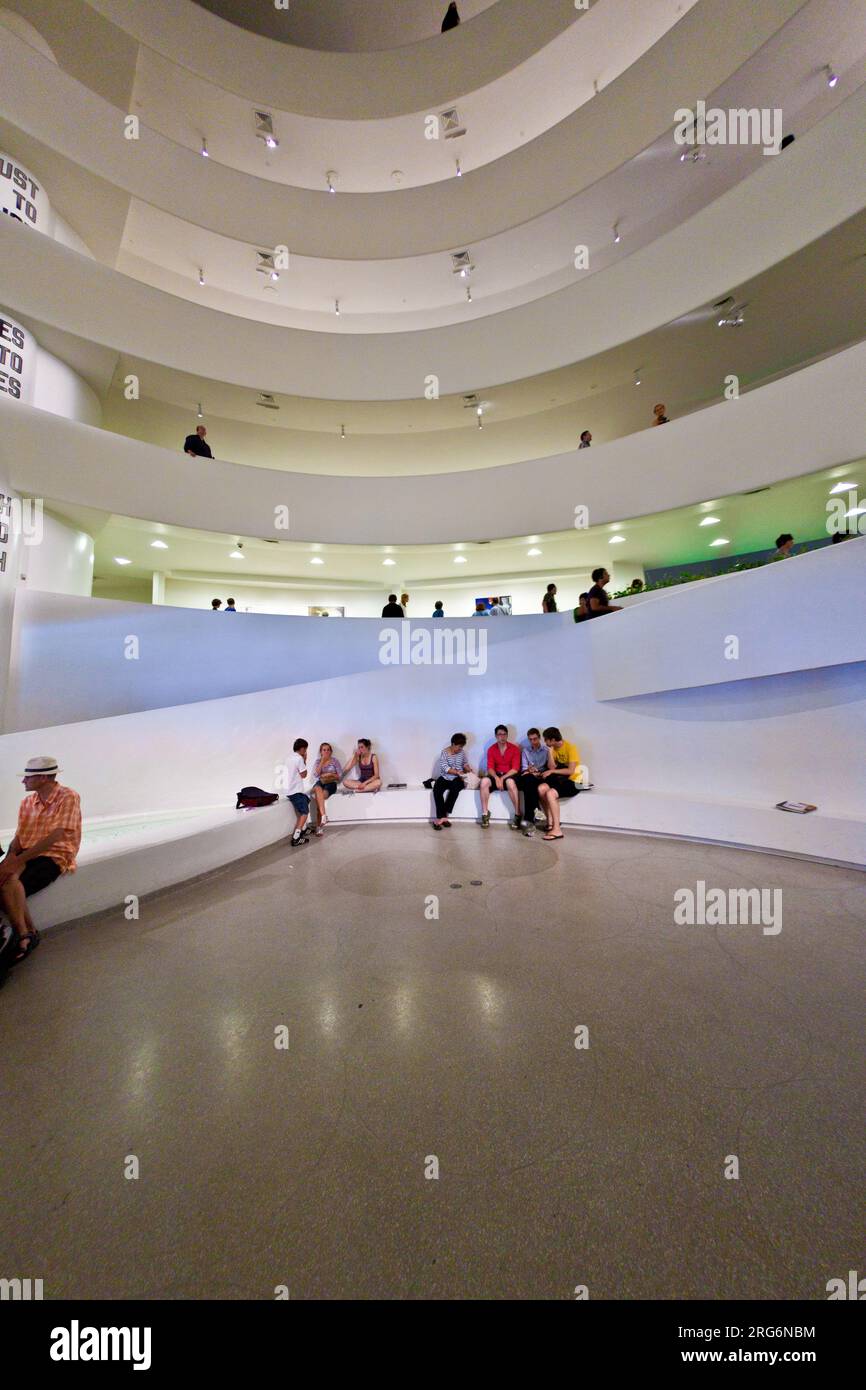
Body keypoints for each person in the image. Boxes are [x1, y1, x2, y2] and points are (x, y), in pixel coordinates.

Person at [0, 756, 82, 963]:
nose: (23, 781)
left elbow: (56, 836)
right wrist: (11, 856)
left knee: (8, 882)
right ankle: (28, 933)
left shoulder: (68, 796)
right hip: (27, 853)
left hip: (54, 854)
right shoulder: (27, 802)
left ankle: (25, 934)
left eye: (28, 777)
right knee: (5, 878)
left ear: (43, 777)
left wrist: (17, 862)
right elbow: (21, 835)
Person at [537, 728, 582, 841]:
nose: (545, 742)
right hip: (561, 780)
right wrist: (550, 753)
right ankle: (550, 822)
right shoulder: (553, 749)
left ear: (552, 740)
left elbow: (571, 771)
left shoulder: (571, 748)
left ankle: (557, 830)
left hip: (575, 781)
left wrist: (552, 771)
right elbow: (552, 766)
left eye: (546, 740)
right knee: (541, 788)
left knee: (551, 793)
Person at [479, 725, 521, 828]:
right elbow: (490, 768)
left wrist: (502, 778)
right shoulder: (491, 749)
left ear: (507, 735)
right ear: (496, 736)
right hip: (496, 774)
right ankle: (485, 814)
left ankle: (517, 814)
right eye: (499, 734)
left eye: (504, 734)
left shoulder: (514, 749)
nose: (502, 737)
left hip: (511, 774)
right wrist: (497, 777)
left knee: (509, 782)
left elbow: (515, 769)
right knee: (484, 781)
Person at [431, 734, 472, 829]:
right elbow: (445, 768)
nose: (460, 748)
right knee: (437, 790)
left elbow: (465, 763)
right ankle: (442, 817)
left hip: (457, 778)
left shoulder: (462, 752)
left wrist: (468, 769)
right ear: (453, 744)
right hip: (446, 776)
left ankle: (442, 816)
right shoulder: (444, 752)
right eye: (459, 746)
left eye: (462, 746)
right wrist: (457, 772)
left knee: (455, 789)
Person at [516, 728, 548, 831]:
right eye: (530, 739)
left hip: (541, 777)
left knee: (528, 785)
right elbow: (525, 769)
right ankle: (536, 811)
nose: (533, 742)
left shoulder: (546, 750)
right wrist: (530, 771)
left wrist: (536, 772)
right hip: (530, 776)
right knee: (528, 780)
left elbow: (549, 768)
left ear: (539, 738)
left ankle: (528, 820)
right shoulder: (526, 751)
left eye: (535, 739)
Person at [310, 742, 342, 835]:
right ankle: (324, 816)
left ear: (331, 751)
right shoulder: (318, 761)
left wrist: (330, 774)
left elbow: (339, 776)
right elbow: (316, 775)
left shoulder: (335, 761)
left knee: (319, 800)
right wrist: (322, 762)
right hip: (321, 782)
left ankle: (319, 826)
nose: (326, 751)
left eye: (328, 750)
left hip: (331, 784)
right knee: (317, 789)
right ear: (321, 752)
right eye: (324, 750)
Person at [285, 738, 311, 847]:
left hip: (290, 790)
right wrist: (305, 759)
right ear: (302, 748)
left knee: (307, 800)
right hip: (296, 791)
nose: (305, 752)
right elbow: (303, 775)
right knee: (305, 812)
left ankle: (304, 829)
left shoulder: (289, 758)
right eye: (305, 750)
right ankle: (296, 837)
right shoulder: (299, 758)